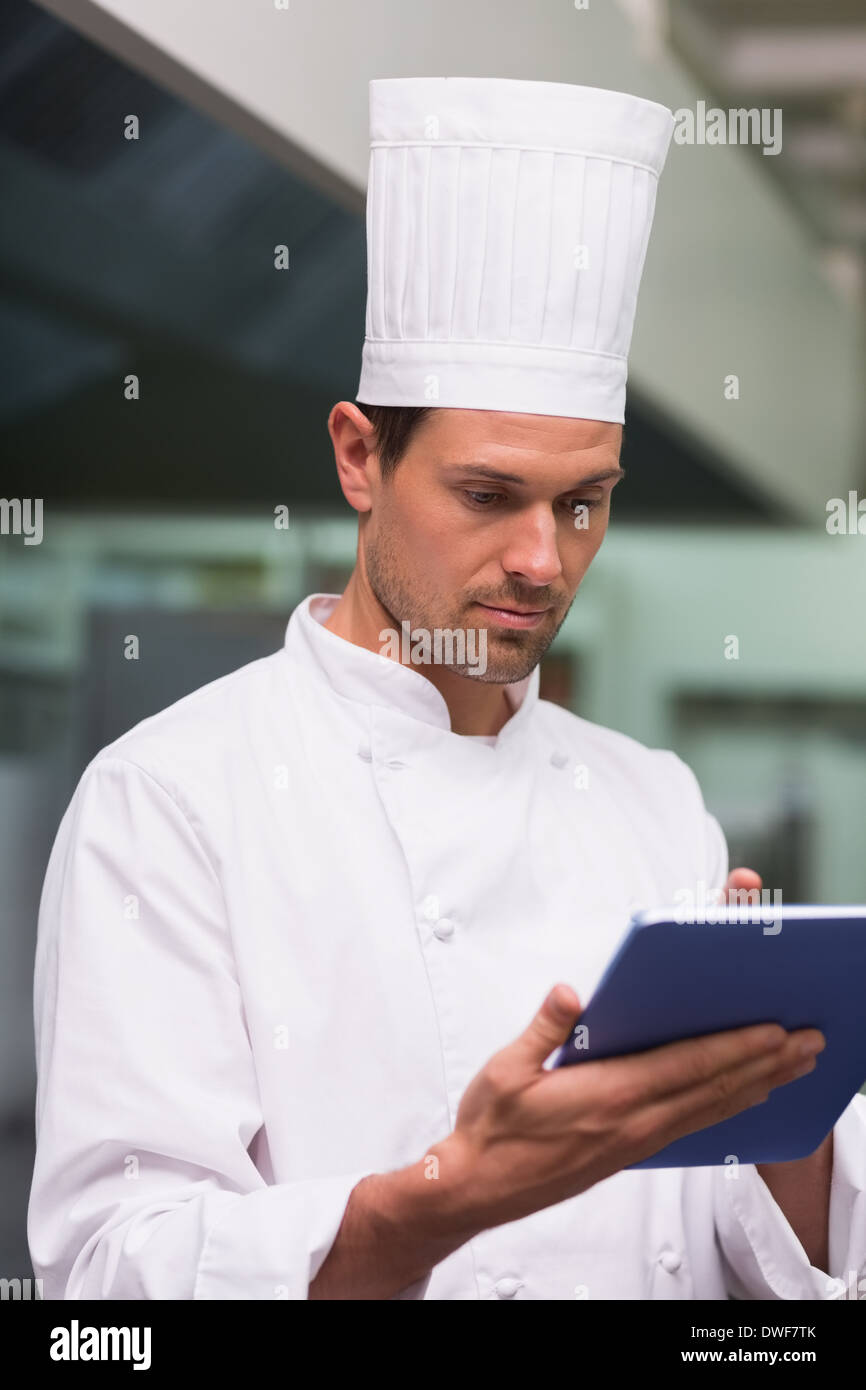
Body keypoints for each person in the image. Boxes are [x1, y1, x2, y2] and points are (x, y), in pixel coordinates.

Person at [28, 76, 865, 1300]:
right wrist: (447, 1200)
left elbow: (753, 1264)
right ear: (360, 456)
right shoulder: (169, 799)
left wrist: (781, 1101)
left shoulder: (649, 797)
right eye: (488, 496)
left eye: (583, 503)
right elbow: (106, 1295)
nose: (543, 559)